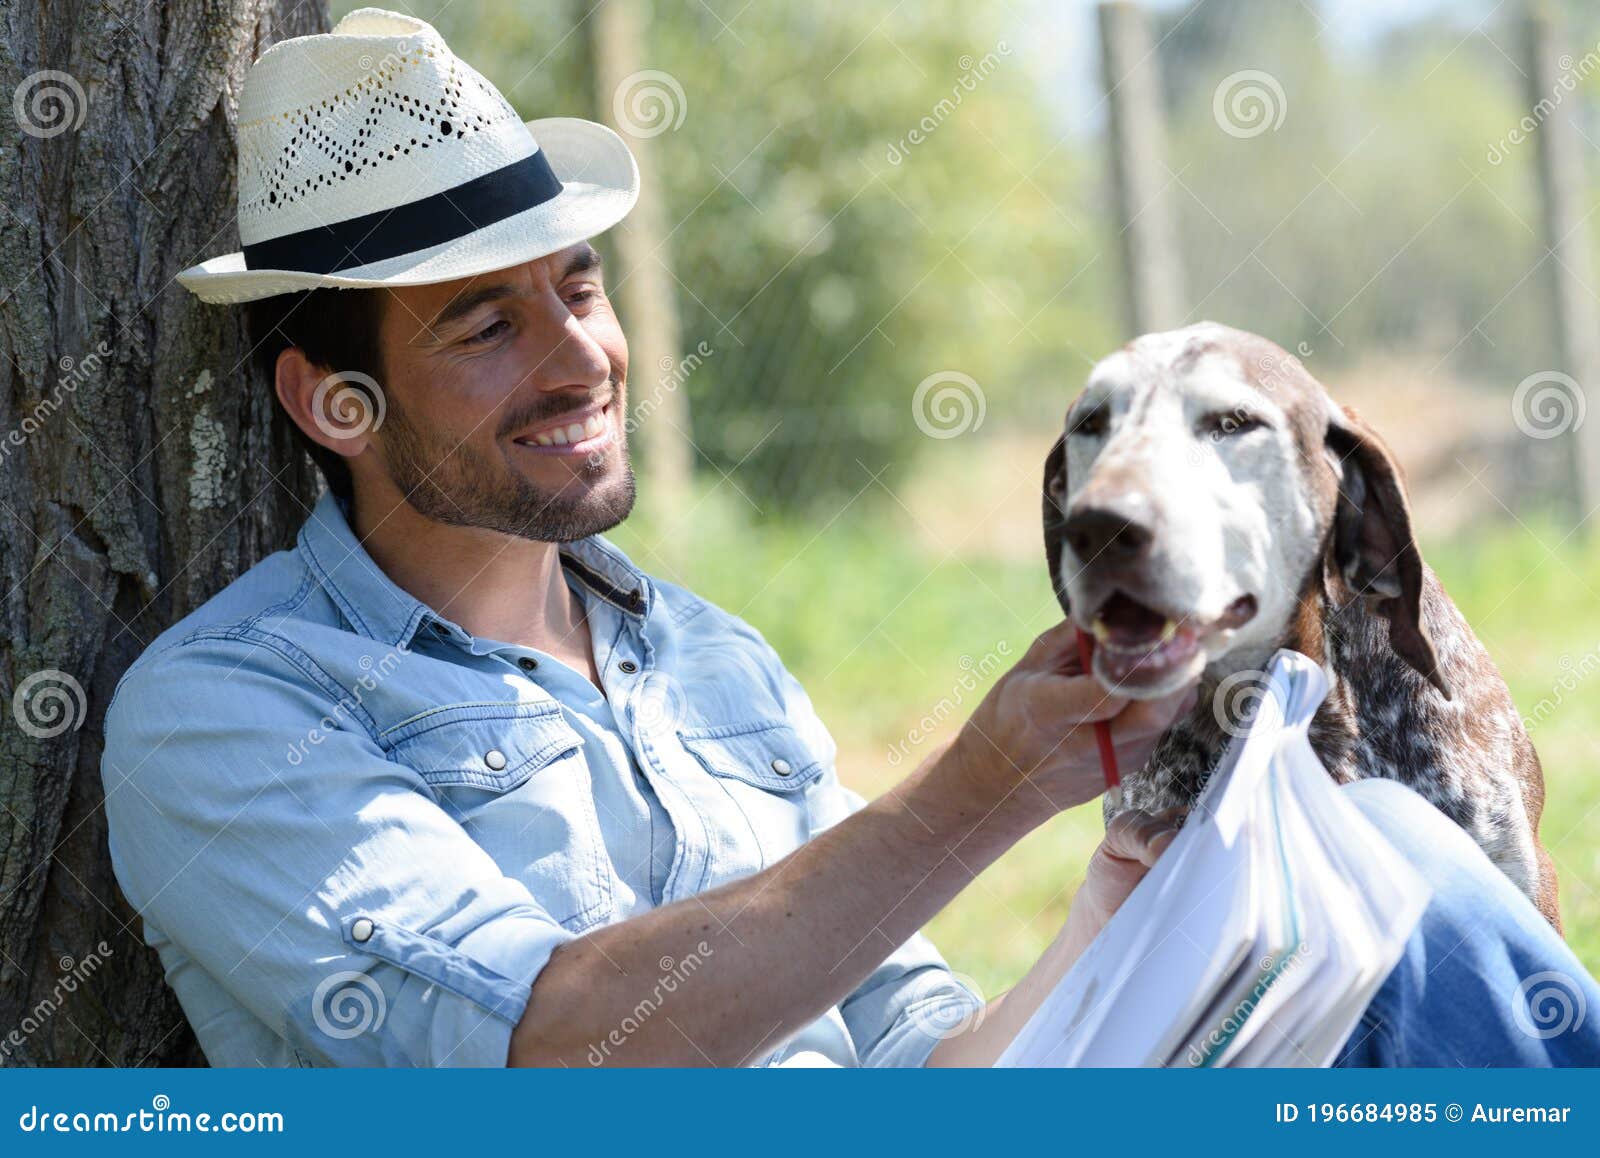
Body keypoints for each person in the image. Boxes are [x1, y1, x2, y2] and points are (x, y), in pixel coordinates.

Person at [101, 8, 1599, 1068]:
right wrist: (981, 789)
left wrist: (1127, 894)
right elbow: (555, 1056)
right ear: (337, 402)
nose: (580, 359)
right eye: (488, 323)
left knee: (1397, 882)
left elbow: (922, 1069)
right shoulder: (233, 713)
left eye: (579, 286)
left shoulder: (707, 663)